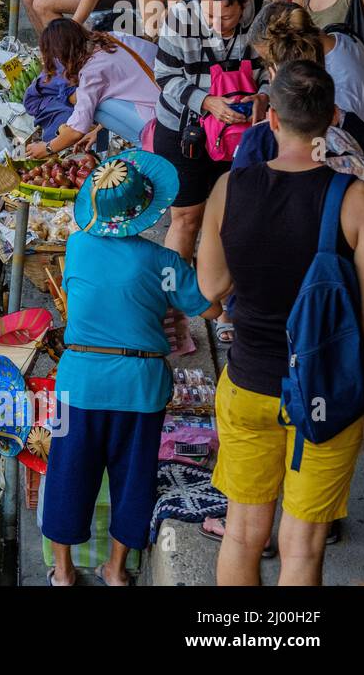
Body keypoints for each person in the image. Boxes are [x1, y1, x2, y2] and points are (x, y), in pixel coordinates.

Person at [197, 61, 364, 585]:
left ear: (270, 118)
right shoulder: (356, 200)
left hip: (248, 382)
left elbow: (209, 288)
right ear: (333, 119)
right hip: (326, 395)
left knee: (243, 534)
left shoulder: (230, 187)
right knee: (302, 547)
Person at [42, 149, 220, 586]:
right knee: (134, 477)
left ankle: (63, 572)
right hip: (138, 387)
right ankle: (116, 571)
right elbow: (209, 307)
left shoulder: (77, 246)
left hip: (80, 383)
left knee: (68, 474)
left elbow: (99, 297)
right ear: (145, 211)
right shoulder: (163, 263)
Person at [153, 0, 267, 264]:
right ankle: (176, 302)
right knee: (187, 217)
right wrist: (207, 102)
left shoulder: (263, 16)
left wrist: (263, 98)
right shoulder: (179, 18)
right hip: (184, 128)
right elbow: (164, 76)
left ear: (244, 3)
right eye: (210, 15)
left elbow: (274, 72)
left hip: (241, 132)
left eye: (227, 17)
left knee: (232, 216)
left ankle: (218, 303)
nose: (217, 25)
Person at [233, 1, 364, 167]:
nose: (269, 69)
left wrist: (279, 98)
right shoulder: (337, 38)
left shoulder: (340, 93)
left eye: (270, 62)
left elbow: (316, 159)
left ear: (289, 50)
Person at [26, 20, 160, 158]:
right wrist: (98, 130)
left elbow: (76, 131)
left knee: (92, 103)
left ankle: (147, 146)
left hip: (160, 124)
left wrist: (46, 148)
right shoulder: (112, 37)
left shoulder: (92, 71)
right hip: (174, 106)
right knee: (97, 99)